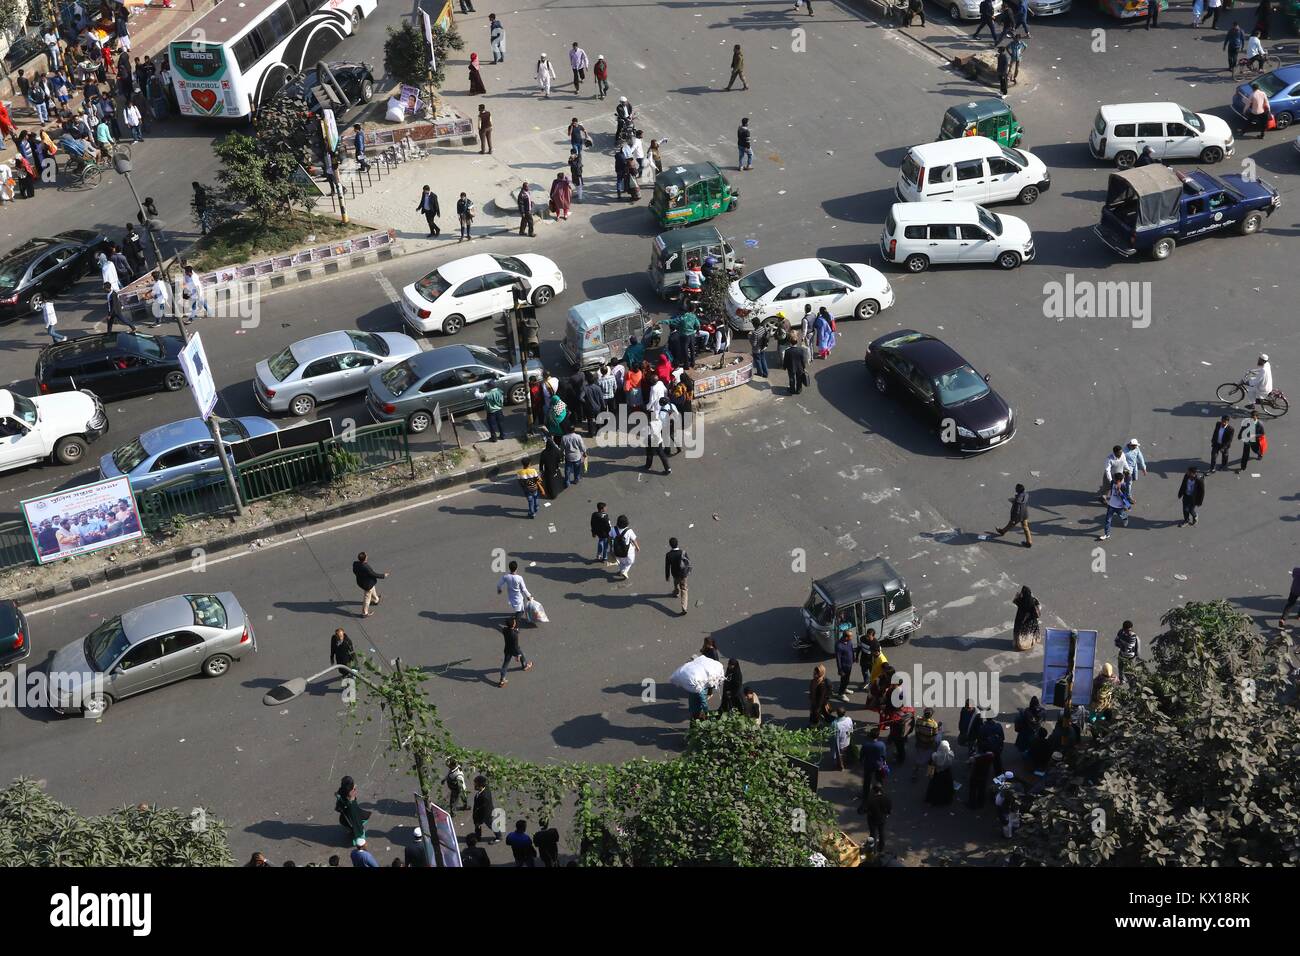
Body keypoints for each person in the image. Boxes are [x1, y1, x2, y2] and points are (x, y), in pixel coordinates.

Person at [994, 482, 1032, 547]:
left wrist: (1013, 518)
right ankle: (1029, 542)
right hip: (1025, 513)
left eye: (1016, 488)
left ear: (1018, 490)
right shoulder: (1026, 494)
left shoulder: (1017, 501)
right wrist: (1014, 500)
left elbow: (1016, 510)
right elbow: (1022, 501)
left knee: (1011, 523)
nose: (1015, 489)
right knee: (1026, 527)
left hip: (1018, 515)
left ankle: (1002, 531)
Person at [1097, 473, 1132, 542]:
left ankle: (1125, 519)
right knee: (1108, 520)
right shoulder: (1113, 482)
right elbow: (1109, 487)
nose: (1113, 479)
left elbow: (1124, 497)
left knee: (1122, 515)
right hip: (1111, 505)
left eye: (1115, 479)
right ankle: (1107, 534)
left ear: (1119, 480)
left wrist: (1127, 506)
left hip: (1119, 507)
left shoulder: (1123, 486)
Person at [352, 551, 388, 617]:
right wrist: (383, 575)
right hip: (367, 585)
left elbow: (354, 571)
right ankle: (364, 613)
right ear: (365, 558)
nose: (367, 556)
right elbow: (373, 574)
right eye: (366, 556)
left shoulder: (355, 563)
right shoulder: (366, 567)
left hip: (362, 582)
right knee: (367, 598)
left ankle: (376, 600)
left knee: (372, 590)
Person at [925, 739, 956, 805]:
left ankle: (934, 800)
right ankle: (945, 800)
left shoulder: (935, 756)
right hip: (946, 774)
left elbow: (931, 764)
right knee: (945, 788)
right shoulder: (951, 755)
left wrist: (930, 774)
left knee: (935, 787)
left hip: (937, 774)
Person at [665, 536, 691, 615]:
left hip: (675, 574)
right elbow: (688, 562)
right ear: (677, 544)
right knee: (684, 589)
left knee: (676, 584)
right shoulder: (683, 552)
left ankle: (676, 592)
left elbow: (667, 566)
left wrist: (667, 576)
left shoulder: (668, 555)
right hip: (683, 574)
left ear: (670, 545)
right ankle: (684, 607)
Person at [1012, 585, 1041, 651]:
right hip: (1029, 621)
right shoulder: (1033, 601)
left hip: (1020, 619)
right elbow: (1037, 613)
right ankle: (1026, 644)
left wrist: (1019, 595)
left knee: (1019, 631)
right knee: (1028, 633)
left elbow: (1015, 600)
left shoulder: (1021, 600)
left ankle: (1019, 644)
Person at [611, 514, 640, 579]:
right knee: (630, 561)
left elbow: (609, 537)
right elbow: (634, 540)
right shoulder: (629, 530)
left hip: (616, 550)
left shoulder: (613, 529)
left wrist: (611, 547)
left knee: (621, 562)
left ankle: (621, 571)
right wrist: (637, 547)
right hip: (627, 550)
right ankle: (625, 571)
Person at [865, 784, 891, 853]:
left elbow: (865, 809)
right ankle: (881, 848)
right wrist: (887, 814)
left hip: (872, 819)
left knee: (873, 834)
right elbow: (889, 808)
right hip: (882, 819)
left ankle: (872, 850)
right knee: (881, 833)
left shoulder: (871, 800)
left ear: (874, 791)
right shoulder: (886, 798)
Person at [472, 775, 498, 842]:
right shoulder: (486, 788)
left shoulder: (484, 797)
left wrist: (479, 820)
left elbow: (483, 811)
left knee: (490, 824)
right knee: (477, 825)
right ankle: (478, 836)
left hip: (486, 814)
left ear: (480, 786)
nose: (474, 785)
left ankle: (499, 836)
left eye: (475, 784)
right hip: (482, 812)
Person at [539, 432, 564, 498]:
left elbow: (541, 462)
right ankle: (556, 491)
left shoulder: (544, 452)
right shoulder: (556, 451)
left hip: (547, 469)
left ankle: (551, 493)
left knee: (549, 481)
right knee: (555, 480)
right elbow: (559, 459)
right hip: (555, 468)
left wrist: (541, 470)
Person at [834, 628, 856, 698]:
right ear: (846, 637)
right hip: (844, 667)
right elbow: (838, 659)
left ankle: (845, 689)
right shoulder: (839, 645)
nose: (852, 637)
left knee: (847, 679)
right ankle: (841, 694)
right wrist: (840, 670)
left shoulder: (849, 641)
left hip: (849, 665)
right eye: (850, 636)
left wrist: (854, 658)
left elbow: (851, 650)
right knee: (844, 680)